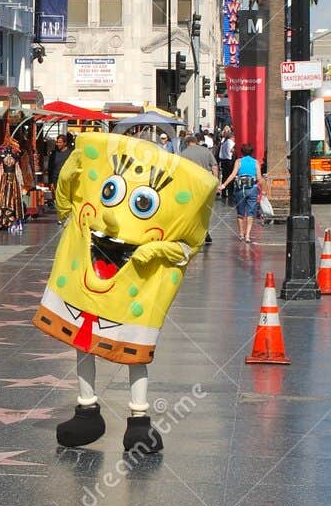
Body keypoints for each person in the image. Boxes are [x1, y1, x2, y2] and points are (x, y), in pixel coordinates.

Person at [33, 133, 215, 454]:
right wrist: (69, 174)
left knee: (134, 355)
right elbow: (66, 208)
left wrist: (159, 248)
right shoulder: (87, 214)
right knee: (83, 345)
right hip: (89, 296)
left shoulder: (171, 223)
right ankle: (87, 409)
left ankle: (139, 419)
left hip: (132, 298)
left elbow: (188, 246)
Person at [219, 142, 263, 244]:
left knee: (240, 213)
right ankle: (247, 235)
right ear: (252, 152)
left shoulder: (238, 161)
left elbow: (233, 175)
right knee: (251, 213)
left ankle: (241, 234)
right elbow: (259, 177)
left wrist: (223, 185)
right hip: (252, 188)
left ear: (242, 152)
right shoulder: (256, 162)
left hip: (240, 189)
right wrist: (263, 189)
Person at [183, 133, 217, 245]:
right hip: (206, 183)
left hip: (191, 184)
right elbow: (214, 166)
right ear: (196, 142)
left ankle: (192, 233)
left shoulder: (184, 153)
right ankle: (206, 233)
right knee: (205, 209)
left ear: (188, 144)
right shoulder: (206, 151)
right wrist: (216, 181)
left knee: (192, 209)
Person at [217, 126, 236, 201]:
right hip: (229, 161)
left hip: (223, 161)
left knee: (224, 177)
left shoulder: (223, 143)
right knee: (230, 176)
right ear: (232, 137)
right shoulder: (230, 143)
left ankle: (224, 192)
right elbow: (232, 151)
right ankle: (230, 193)